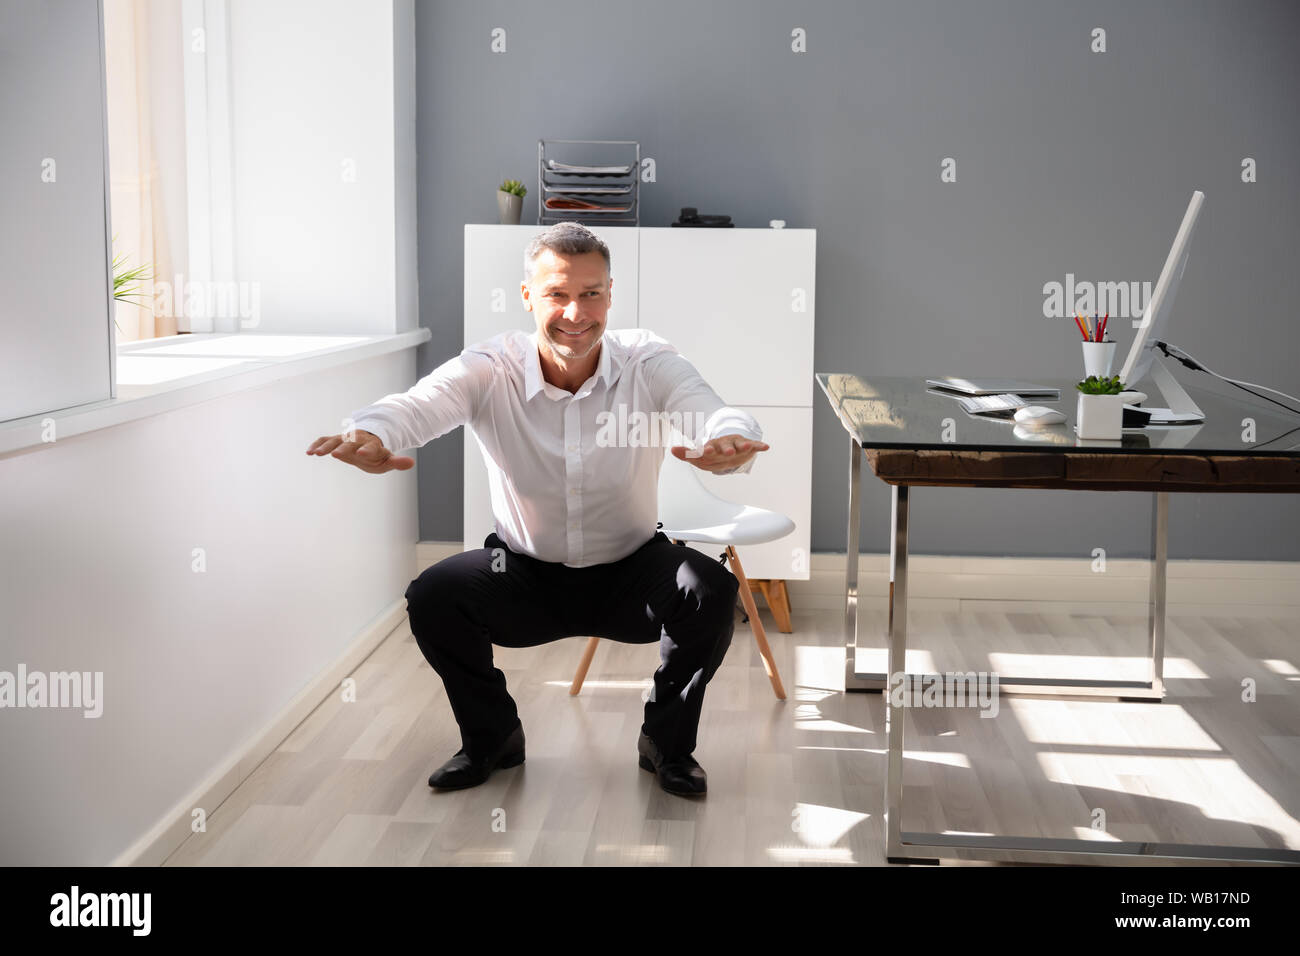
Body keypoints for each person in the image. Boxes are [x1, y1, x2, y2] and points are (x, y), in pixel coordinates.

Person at [306, 222, 769, 796]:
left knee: (710, 591)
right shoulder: (490, 366)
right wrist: (372, 431)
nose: (576, 312)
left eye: (591, 293)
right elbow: (418, 404)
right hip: (521, 573)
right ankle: (492, 738)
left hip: (631, 570)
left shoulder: (646, 362)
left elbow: (705, 405)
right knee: (434, 595)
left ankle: (666, 744)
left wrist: (727, 439)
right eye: (557, 294)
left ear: (610, 294)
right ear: (527, 296)